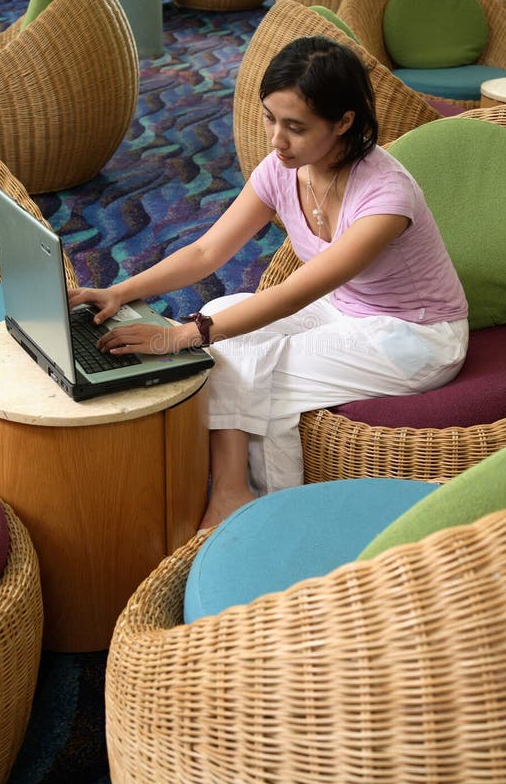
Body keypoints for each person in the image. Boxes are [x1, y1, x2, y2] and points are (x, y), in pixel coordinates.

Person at [68, 35, 468, 530]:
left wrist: (176, 337)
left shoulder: (387, 196)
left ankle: (267, 510)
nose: (277, 140)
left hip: (415, 335)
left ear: (344, 122)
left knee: (256, 373)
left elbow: (295, 292)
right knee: (222, 318)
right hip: (346, 308)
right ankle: (236, 490)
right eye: (269, 118)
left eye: (295, 127)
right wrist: (121, 290)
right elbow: (207, 251)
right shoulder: (285, 168)